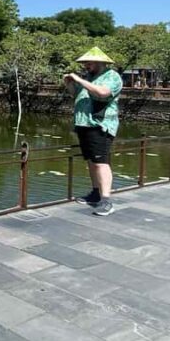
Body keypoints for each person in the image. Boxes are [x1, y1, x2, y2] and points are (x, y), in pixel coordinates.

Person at [64, 46, 123, 216]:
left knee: (100, 162)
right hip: (84, 124)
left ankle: (106, 201)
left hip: (99, 124)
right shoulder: (89, 77)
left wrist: (80, 80)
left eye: (89, 63)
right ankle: (95, 193)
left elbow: (102, 93)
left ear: (100, 62)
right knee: (91, 160)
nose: (86, 66)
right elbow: (78, 96)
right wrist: (69, 84)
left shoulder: (111, 76)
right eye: (85, 63)